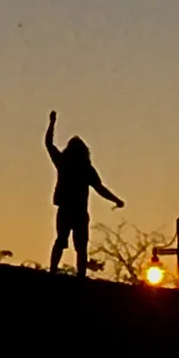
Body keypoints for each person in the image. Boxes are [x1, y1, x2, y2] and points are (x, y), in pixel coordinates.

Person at [45, 110, 124, 277]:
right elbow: (100, 188)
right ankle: (77, 275)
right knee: (78, 246)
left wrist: (52, 123)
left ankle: (55, 271)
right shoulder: (84, 168)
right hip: (76, 211)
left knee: (64, 241)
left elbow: (49, 144)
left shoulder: (65, 163)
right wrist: (116, 200)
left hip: (69, 210)